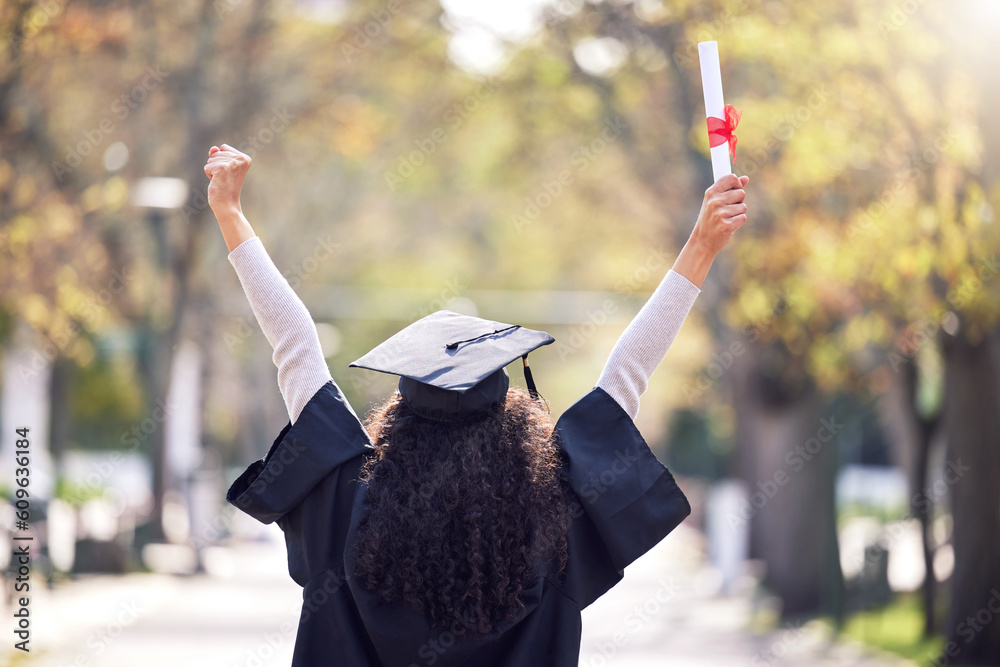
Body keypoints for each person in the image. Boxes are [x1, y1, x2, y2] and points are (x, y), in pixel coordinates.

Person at [205, 143, 749, 667]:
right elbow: (629, 371)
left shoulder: (343, 499)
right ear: (510, 418)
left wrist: (230, 213)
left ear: (400, 415)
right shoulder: (551, 511)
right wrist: (701, 244)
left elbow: (294, 347)